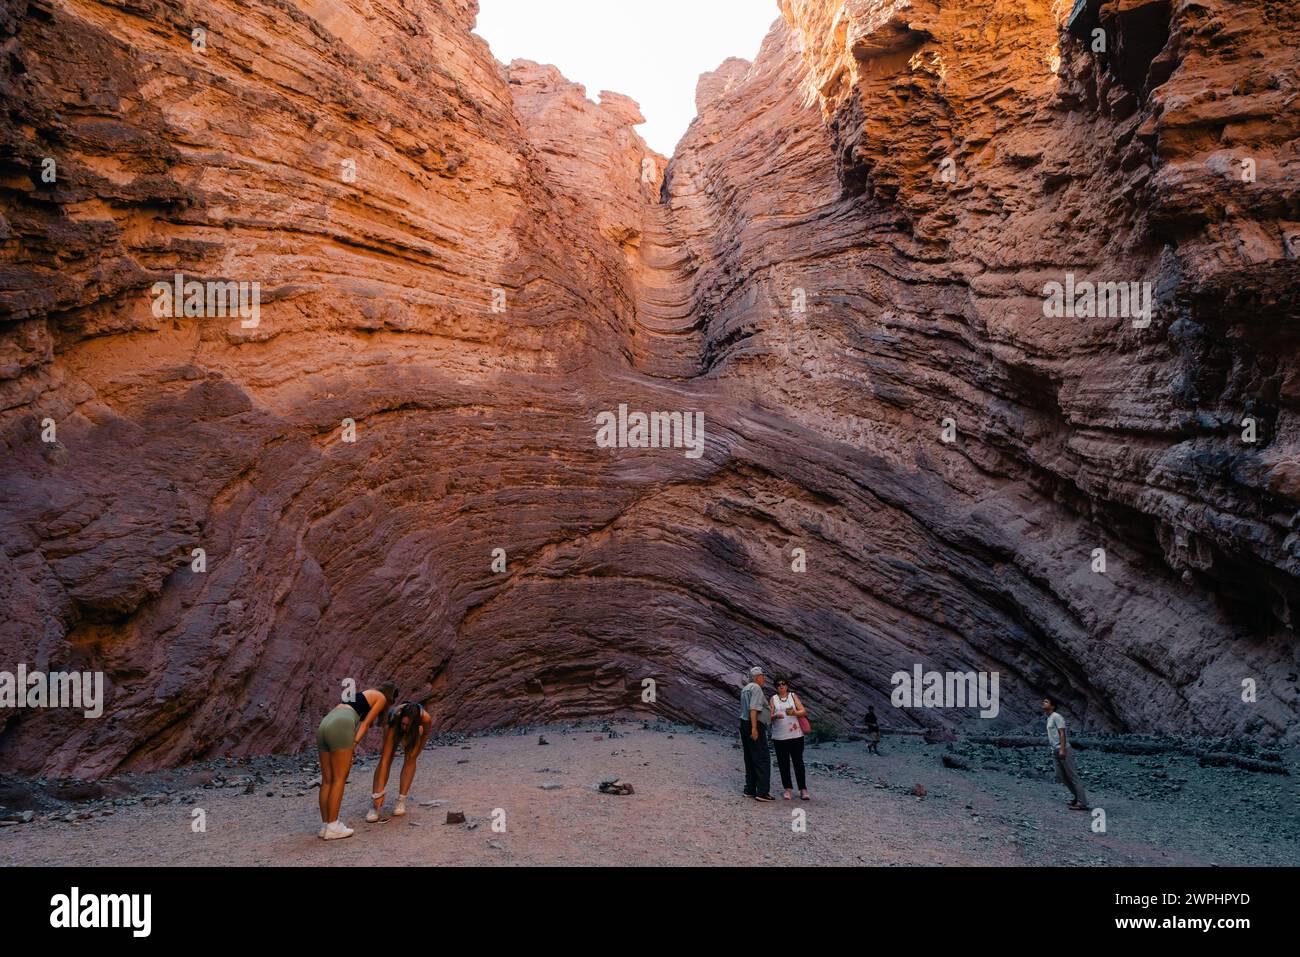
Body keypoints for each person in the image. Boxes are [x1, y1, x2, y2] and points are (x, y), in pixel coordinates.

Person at [314, 681, 397, 839]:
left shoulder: (360, 696)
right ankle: (333, 826)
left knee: (327, 780)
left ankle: (325, 826)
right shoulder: (380, 697)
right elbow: (365, 724)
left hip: (325, 723)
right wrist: (352, 746)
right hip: (341, 724)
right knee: (339, 779)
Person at [366, 701, 433, 822]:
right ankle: (375, 803)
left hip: (416, 731)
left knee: (410, 759)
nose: (405, 728)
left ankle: (401, 801)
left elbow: (426, 733)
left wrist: (417, 751)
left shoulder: (426, 719)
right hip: (393, 725)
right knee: (386, 759)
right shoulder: (396, 719)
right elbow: (385, 760)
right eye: (404, 724)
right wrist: (379, 793)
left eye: (407, 725)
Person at [1042, 694, 1089, 811]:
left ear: (1052, 706)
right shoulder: (1049, 717)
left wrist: (1062, 749)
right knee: (1061, 775)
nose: (1043, 703)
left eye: (1046, 702)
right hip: (1055, 750)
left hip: (1063, 749)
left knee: (1072, 776)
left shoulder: (1056, 716)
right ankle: (1077, 797)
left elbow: (1062, 733)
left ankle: (1082, 802)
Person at [770, 678, 810, 800]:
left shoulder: (793, 696)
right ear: (776, 687)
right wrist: (775, 716)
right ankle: (787, 789)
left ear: (787, 685)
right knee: (783, 763)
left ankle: (803, 789)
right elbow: (769, 716)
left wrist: (795, 713)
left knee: (798, 762)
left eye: (783, 684)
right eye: (778, 684)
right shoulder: (773, 699)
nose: (781, 686)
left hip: (796, 735)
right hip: (779, 736)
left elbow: (803, 711)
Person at [739, 666, 774, 801]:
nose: (763, 679)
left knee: (749, 756)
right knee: (762, 757)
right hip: (754, 725)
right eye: (762, 676)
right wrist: (754, 728)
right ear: (758, 677)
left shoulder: (745, 688)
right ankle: (762, 792)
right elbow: (753, 709)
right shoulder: (757, 688)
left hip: (744, 724)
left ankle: (749, 789)